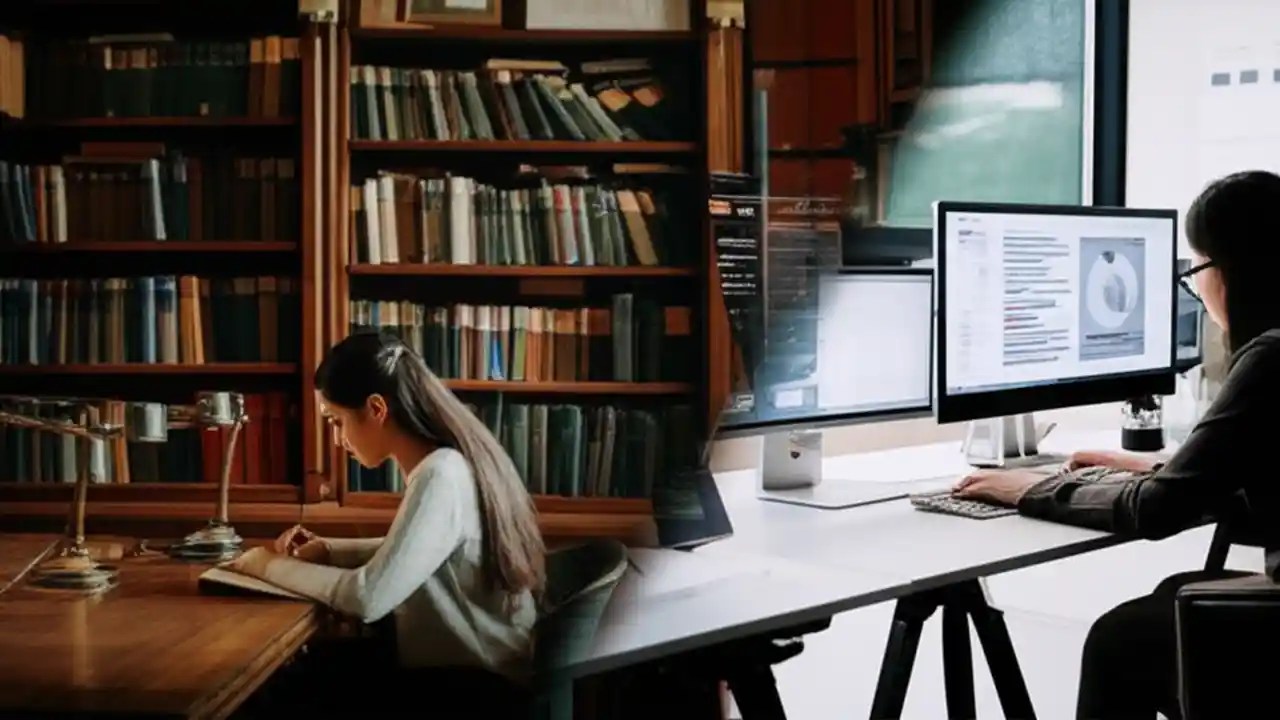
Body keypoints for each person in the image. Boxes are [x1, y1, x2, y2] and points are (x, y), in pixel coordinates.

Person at [952, 169, 1280, 720]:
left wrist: (1032, 490)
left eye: (1196, 271)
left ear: (1231, 270)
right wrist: (1163, 467)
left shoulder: (1270, 358)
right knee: (1178, 590)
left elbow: (1157, 511)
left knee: (1120, 641)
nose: (1198, 291)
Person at [224, 330, 546, 715]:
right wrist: (330, 550)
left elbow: (368, 597)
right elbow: (427, 551)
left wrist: (265, 566)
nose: (338, 440)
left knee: (274, 693)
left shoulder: (440, 474)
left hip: (475, 689)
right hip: (467, 672)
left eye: (336, 421)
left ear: (376, 409)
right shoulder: (450, 462)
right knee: (294, 678)